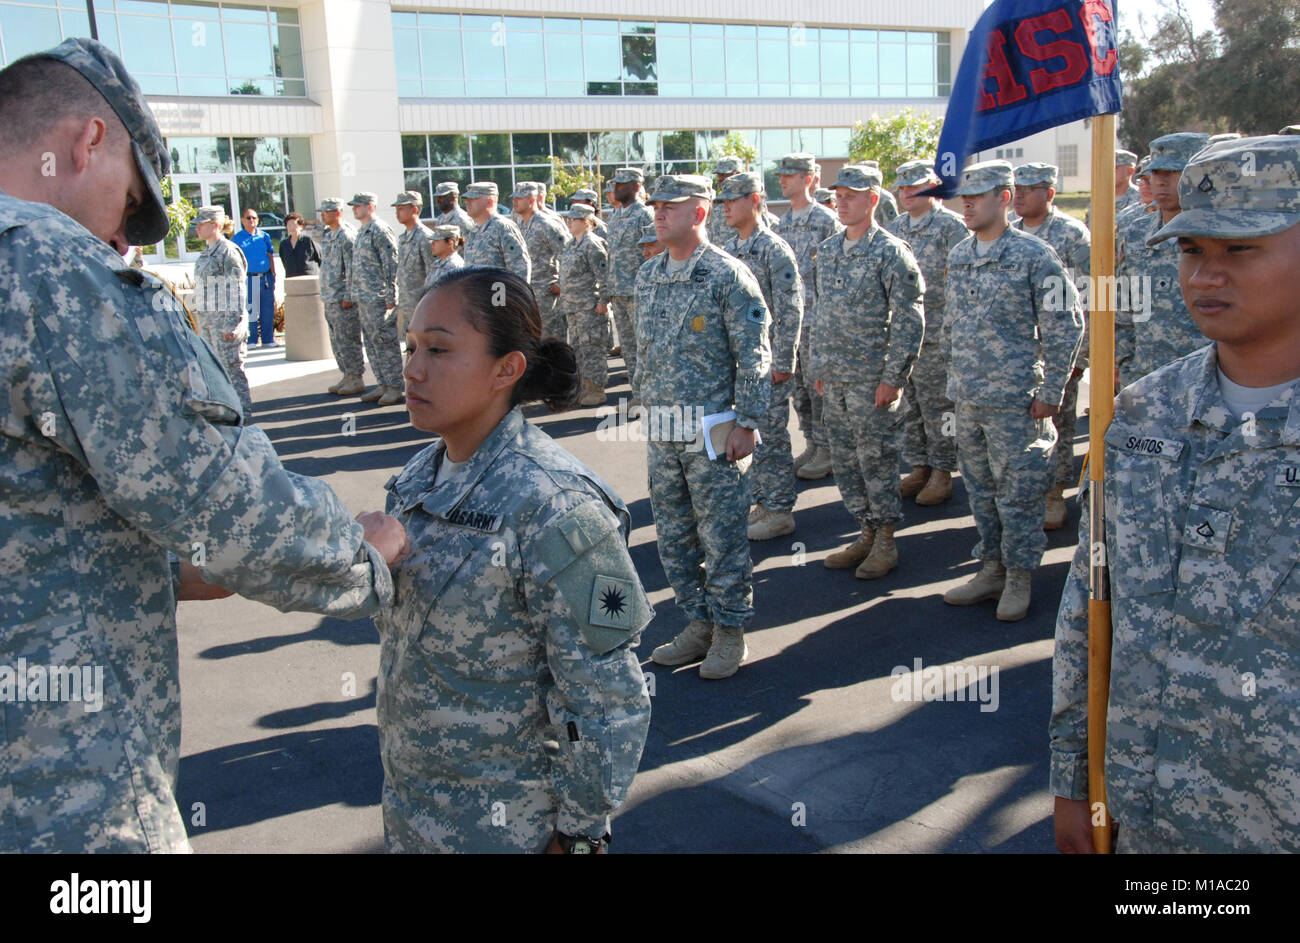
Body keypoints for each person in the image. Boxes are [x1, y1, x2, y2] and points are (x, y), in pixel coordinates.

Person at [0, 38, 408, 853]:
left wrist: (145, 566)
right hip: (63, 796)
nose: (122, 237)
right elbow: (224, 506)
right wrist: (359, 551)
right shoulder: (48, 267)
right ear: (88, 142)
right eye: (129, 202)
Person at [1051, 135, 1300, 854]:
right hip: (1145, 820)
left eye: (1240, 249)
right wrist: (1074, 779)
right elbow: (1087, 609)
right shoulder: (1142, 413)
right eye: (1193, 249)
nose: (1206, 275)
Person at [378, 266, 651, 853]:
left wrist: (580, 835)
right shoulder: (418, 477)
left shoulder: (558, 507)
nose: (412, 369)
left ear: (508, 368)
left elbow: (609, 698)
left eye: (439, 350)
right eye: (411, 346)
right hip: (415, 813)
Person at [639, 174, 771, 680]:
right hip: (664, 429)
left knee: (721, 537)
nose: (659, 213)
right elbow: (644, 353)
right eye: (656, 205)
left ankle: (731, 632)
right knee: (674, 538)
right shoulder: (648, 276)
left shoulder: (726, 275)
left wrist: (748, 422)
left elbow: (754, 357)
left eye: (670, 206)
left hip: (715, 432)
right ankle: (698, 621)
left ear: (699, 213)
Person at [940, 160, 1083, 622]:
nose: (968, 203)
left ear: (1004, 198)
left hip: (1017, 401)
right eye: (964, 196)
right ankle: (992, 567)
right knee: (980, 490)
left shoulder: (1033, 255)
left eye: (977, 196)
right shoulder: (960, 254)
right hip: (969, 396)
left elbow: (1067, 323)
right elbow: (951, 322)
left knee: (1018, 492)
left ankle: (1020, 575)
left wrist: (1052, 387)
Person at [809, 165, 924, 578]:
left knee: (876, 461)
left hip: (872, 381)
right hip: (836, 379)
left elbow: (910, 319)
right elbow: (821, 312)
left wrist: (893, 378)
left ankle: (887, 540)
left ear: (873, 199)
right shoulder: (827, 249)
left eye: (851, 196)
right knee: (845, 462)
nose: (841, 202)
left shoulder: (890, 251)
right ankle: (865, 531)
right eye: (838, 195)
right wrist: (820, 365)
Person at [718, 172, 805, 543]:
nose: (726, 208)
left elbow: (791, 308)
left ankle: (781, 509)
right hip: (742, 363)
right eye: (722, 202)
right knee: (750, 438)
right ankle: (763, 502)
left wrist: (784, 362)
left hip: (767, 363)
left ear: (754, 200)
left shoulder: (773, 248)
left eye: (732, 201)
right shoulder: (730, 246)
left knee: (771, 437)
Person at [1011, 162, 1092, 530]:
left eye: (1031, 188)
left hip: (1058, 348)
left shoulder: (1072, 234)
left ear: (1050, 193)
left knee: (1061, 421)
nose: (1021, 194)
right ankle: (1025, 492)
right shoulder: (1009, 233)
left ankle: (1054, 492)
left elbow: (1094, 295)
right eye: (1018, 187)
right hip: (1019, 354)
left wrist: (1082, 354)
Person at [888, 159, 968, 507]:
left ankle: (942, 470)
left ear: (933, 187)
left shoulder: (952, 227)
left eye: (914, 186)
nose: (906, 192)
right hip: (904, 333)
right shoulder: (895, 228)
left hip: (938, 333)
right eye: (902, 187)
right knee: (910, 406)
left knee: (940, 408)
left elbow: (962, 287)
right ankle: (919, 464)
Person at [1116, 133, 1211, 390]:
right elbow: (1120, 303)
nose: (1160, 181)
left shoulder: (1221, 234)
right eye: (1155, 173)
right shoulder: (1135, 233)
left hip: (1207, 379)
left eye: (1172, 172)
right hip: (1145, 377)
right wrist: (1123, 361)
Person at [775, 153, 843, 482]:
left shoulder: (826, 221)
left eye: (790, 175)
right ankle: (813, 443)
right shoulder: (783, 223)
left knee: (819, 389)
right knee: (799, 389)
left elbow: (835, 277)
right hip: (793, 321)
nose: (783, 180)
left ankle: (827, 447)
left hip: (818, 320)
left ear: (809, 179)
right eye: (782, 176)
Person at [192, 205, 253, 416]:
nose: (197, 228)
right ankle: (226, 412)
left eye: (201, 224)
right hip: (209, 323)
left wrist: (232, 323)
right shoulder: (207, 253)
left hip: (225, 324)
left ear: (215, 225)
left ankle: (242, 414)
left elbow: (237, 289)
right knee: (214, 372)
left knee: (232, 370)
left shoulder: (228, 252)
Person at [347, 192, 405, 406]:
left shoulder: (379, 230)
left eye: (358, 206)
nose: (354, 209)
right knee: (371, 342)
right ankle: (382, 383)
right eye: (354, 206)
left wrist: (391, 295)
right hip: (364, 297)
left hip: (378, 297)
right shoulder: (362, 231)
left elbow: (391, 264)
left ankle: (394, 386)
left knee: (384, 341)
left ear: (370, 206)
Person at [604, 167, 654, 403]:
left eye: (622, 184)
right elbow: (611, 255)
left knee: (644, 346)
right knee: (628, 346)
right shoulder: (615, 216)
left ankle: (649, 396)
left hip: (638, 292)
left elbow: (654, 254)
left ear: (636, 186)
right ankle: (638, 395)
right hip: (619, 292)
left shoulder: (644, 215)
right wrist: (608, 290)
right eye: (615, 184)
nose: (616, 188)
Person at [557, 203, 609, 406]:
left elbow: (604, 276)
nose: (569, 222)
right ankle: (584, 387)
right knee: (578, 347)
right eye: (568, 219)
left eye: (574, 219)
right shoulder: (571, 245)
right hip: (572, 306)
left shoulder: (593, 244)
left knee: (592, 347)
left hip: (589, 306)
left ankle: (596, 389)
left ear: (587, 222)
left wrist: (603, 301)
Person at [317, 196, 365, 396]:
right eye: (322, 212)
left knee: (348, 339)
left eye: (326, 212)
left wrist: (349, 295)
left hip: (343, 298)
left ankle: (356, 377)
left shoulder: (347, 236)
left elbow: (353, 268)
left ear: (337, 213)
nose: (322, 215)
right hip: (330, 296)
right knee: (337, 340)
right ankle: (346, 374)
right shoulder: (329, 235)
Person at [512, 181, 571, 340]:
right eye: (514, 198)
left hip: (546, 296)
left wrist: (560, 283)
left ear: (532, 200)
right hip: (527, 295)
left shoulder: (546, 224)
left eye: (519, 198)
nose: (514, 201)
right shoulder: (519, 225)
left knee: (551, 342)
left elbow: (568, 253)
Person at [461, 180, 531, 283]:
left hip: (498, 297)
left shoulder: (503, 227)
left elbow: (520, 268)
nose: (467, 202)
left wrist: (514, 298)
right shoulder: (473, 232)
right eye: (467, 199)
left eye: (472, 199)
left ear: (490, 201)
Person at [392, 190, 436, 339]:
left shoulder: (425, 237)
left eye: (401, 208)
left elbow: (433, 274)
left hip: (421, 305)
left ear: (415, 209)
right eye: (397, 209)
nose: (397, 213)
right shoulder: (404, 237)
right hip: (407, 305)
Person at [232, 205, 278, 347]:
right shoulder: (237, 238)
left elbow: (270, 255)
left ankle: (268, 339)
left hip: (265, 277)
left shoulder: (264, 236)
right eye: (248, 218)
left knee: (267, 310)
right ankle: (252, 340)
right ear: (242, 220)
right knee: (251, 310)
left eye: (254, 218)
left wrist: (273, 274)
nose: (251, 220)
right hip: (249, 278)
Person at [707, 155, 744, 245]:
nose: (720, 178)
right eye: (719, 174)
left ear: (738, 174)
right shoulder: (715, 202)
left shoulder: (747, 201)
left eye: (724, 174)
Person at [420, 223, 466, 292]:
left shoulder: (456, 266)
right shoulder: (437, 264)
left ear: (450, 242)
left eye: (436, 240)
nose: (432, 243)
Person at [278, 211, 320, 278]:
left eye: (294, 225)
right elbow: (284, 261)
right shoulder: (284, 244)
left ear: (301, 226)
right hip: (292, 279)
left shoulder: (308, 241)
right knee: (255, 288)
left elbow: (320, 258)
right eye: (289, 225)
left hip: (309, 279)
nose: (292, 228)